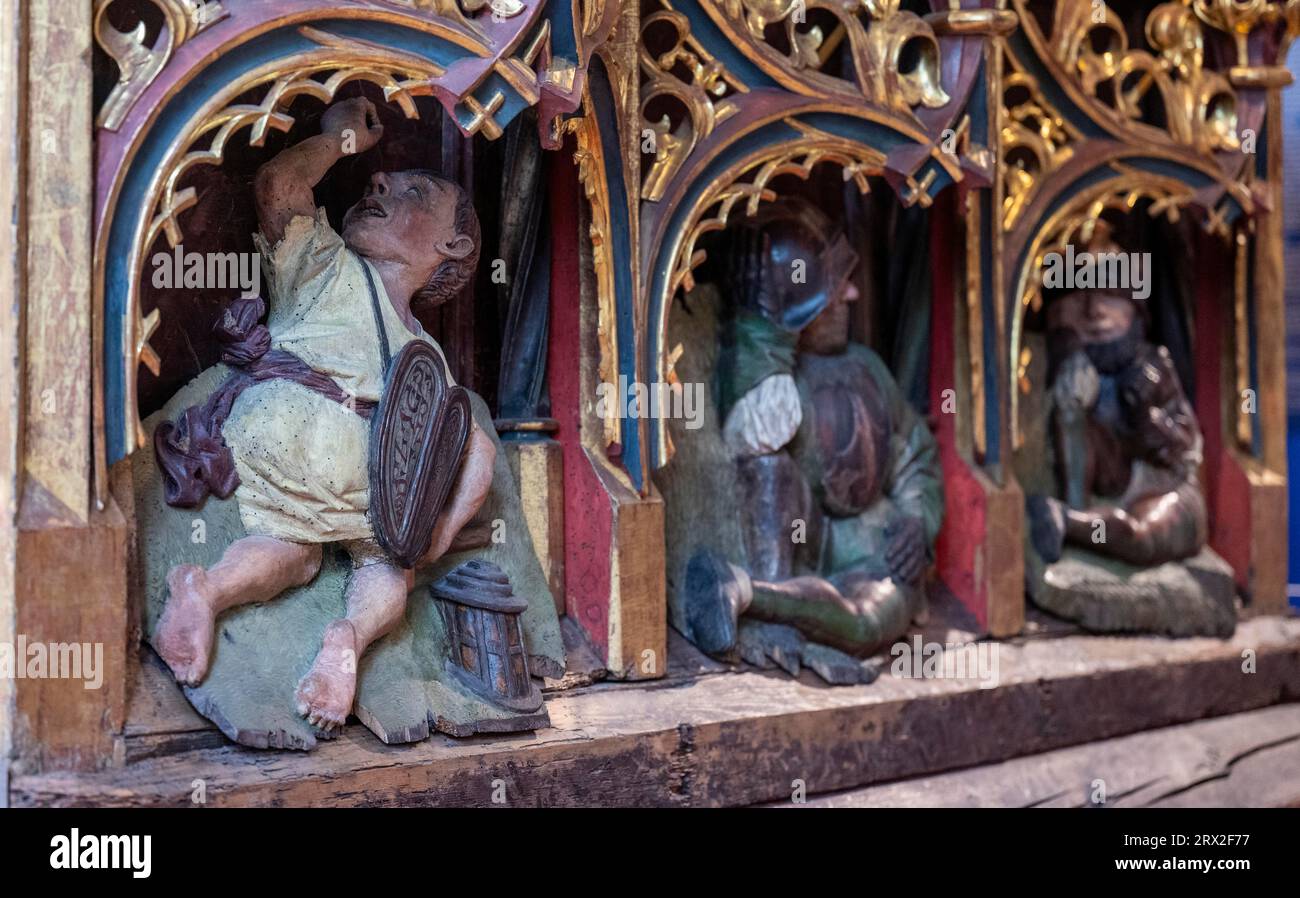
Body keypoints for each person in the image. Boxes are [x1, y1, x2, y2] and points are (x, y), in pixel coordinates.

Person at [151, 97, 496, 731]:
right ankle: (297, 622)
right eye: (384, 177)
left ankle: (320, 633)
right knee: (341, 558)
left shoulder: (427, 356)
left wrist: (435, 534)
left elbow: (476, 447)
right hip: (298, 426)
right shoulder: (324, 265)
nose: (381, 180)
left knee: (334, 559)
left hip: (366, 477)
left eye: (416, 190)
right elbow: (280, 184)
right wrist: (339, 141)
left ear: (454, 243)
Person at [681, 199, 943, 659]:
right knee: (769, 464)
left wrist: (917, 519)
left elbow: (915, 456)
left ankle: (749, 594)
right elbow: (757, 434)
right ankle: (776, 596)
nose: (853, 296)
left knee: (867, 624)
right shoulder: (769, 384)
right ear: (794, 311)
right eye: (836, 288)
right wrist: (763, 332)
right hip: (812, 543)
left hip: (878, 553)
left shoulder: (869, 366)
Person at [1026, 234, 1206, 567]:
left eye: (1110, 295)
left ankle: (1069, 524)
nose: (1094, 310)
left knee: (1141, 533)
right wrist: (1067, 348)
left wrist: (1146, 416)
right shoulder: (1061, 361)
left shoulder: (1154, 367)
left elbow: (1184, 452)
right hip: (1100, 490)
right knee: (1072, 400)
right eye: (1080, 296)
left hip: (1164, 492)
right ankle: (1073, 520)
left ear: (1135, 310)